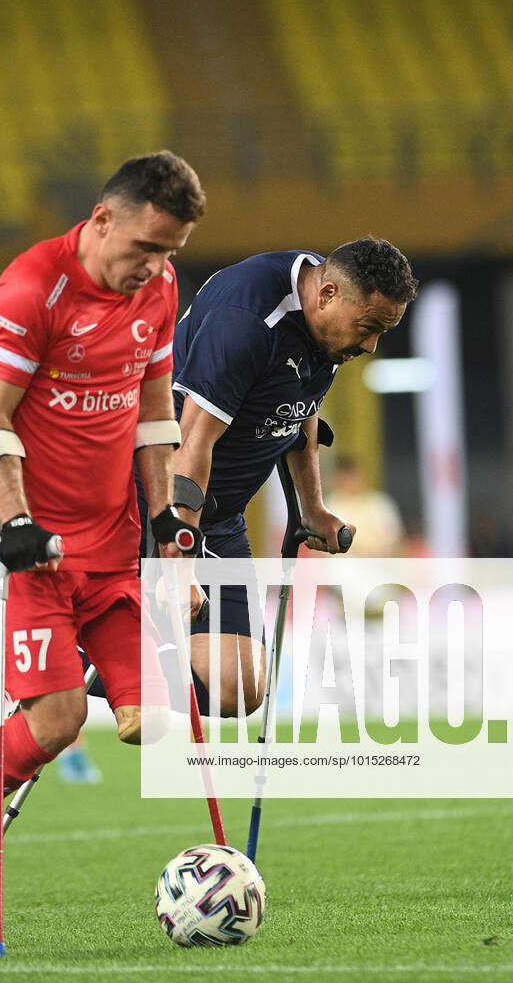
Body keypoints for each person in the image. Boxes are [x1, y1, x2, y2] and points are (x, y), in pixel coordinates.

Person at [0, 151, 205, 925]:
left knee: (154, 723)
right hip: (32, 548)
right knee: (57, 722)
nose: (153, 267)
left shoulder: (161, 290)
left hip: (111, 544)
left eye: (168, 253)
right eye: (144, 247)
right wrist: (13, 523)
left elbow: (152, 416)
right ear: (102, 219)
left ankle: (110, 670)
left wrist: (167, 516)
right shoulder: (30, 287)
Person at [167, 237, 418, 717]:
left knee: (239, 691)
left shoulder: (328, 327)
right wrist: (176, 561)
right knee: (137, 687)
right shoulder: (247, 318)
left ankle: (115, 670)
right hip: (160, 508)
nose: (370, 345)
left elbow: (302, 413)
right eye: (367, 328)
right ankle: (69, 668)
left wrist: (312, 508)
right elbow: (191, 444)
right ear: (326, 295)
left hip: (221, 516)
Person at [325, 455, 405, 557]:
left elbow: (395, 539)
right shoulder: (331, 507)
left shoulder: (380, 503)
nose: (350, 482)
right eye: (346, 477)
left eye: (353, 476)